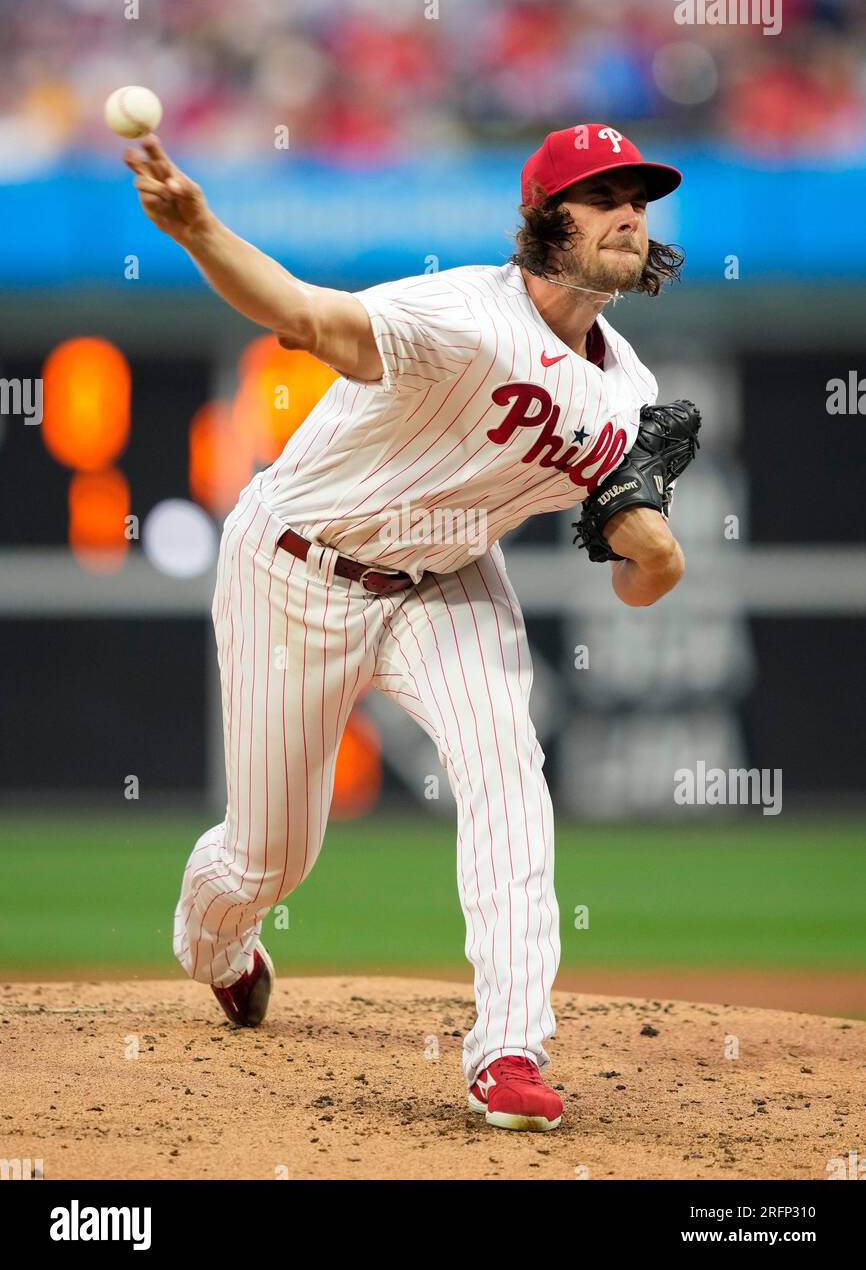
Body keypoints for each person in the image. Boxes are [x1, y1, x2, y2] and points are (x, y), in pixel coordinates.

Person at [125, 122, 686, 1132]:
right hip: (296, 565)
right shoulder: (458, 315)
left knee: (507, 770)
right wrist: (202, 230)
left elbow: (635, 583)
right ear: (544, 222)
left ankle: (508, 1049)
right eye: (601, 195)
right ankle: (217, 947)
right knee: (268, 858)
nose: (627, 214)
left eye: (638, 197)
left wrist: (658, 552)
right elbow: (304, 314)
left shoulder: (627, 393)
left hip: (448, 576)